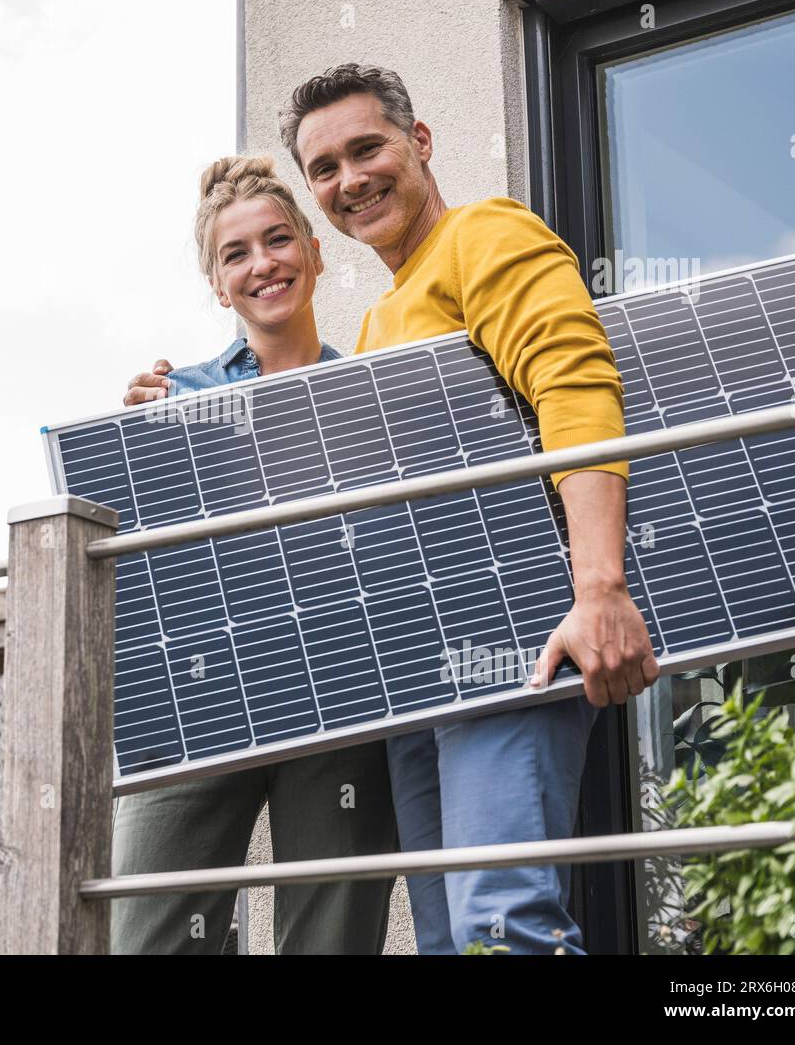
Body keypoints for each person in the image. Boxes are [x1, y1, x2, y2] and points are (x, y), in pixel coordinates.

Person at [129, 64, 658, 954]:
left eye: (366, 148)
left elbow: (574, 384)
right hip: (415, 679)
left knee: (507, 919)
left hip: (506, 644)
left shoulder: (484, 233)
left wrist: (599, 585)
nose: (351, 179)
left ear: (419, 143)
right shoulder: (377, 332)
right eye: (326, 167)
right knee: (451, 939)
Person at [111, 155, 399, 955]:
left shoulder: (375, 389)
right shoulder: (170, 399)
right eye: (236, 253)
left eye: (278, 240)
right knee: (147, 934)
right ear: (217, 282)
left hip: (339, 690)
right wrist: (138, 442)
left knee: (332, 940)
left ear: (315, 250)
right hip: (199, 696)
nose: (262, 263)